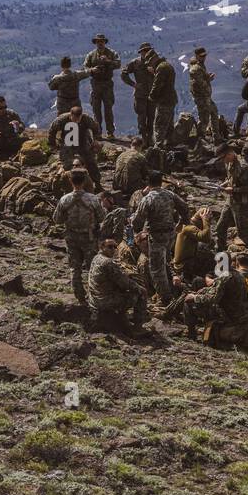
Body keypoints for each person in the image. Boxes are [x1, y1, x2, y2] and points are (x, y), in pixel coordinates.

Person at [129, 172, 190, 303]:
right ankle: (173, 285)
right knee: (167, 259)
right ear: (161, 182)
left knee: (156, 269)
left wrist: (132, 223)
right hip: (170, 233)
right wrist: (183, 222)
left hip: (156, 236)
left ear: (148, 183)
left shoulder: (147, 199)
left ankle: (165, 298)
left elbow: (138, 221)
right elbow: (184, 207)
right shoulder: (170, 194)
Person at [53, 168, 106, 304]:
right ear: (85, 181)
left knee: (74, 268)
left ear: (70, 181)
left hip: (71, 237)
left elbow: (57, 219)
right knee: (92, 267)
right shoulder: (93, 199)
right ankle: (95, 295)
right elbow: (101, 217)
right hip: (88, 237)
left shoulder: (64, 199)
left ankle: (79, 296)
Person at [88, 239, 148, 331]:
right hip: (103, 301)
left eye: (115, 247)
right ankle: (138, 328)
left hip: (94, 298)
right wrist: (138, 286)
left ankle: (122, 318)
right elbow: (125, 283)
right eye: (109, 247)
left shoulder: (96, 257)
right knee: (141, 293)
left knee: (124, 290)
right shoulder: (108, 262)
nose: (113, 249)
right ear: (102, 247)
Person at [215, 146, 248, 252]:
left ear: (230, 153)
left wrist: (234, 190)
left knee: (244, 232)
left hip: (241, 203)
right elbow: (230, 178)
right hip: (230, 200)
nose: (223, 161)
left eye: (223, 158)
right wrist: (223, 185)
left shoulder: (243, 167)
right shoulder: (228, 163)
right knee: (220, 227)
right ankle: (220, 250)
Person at [48, 105, 103, 187]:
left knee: (91, 161)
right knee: (68, 164)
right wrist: (52, 144)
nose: (76, 121)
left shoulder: (86, 119)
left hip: (83, 142)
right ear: (71, 115)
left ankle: (97, 183)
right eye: (74, 119)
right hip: (68, 143)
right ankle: (68, 184)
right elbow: (52, 130)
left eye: (78, 119)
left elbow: (95, 128)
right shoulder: (62, 119)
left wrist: (96, 140)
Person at [85, 33, 121, 139]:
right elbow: (86, 67)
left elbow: (118, 64)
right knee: (96, 109)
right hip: (95, 84)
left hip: (107, 84)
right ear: (95, 43)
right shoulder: (91, 55)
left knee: (108, 109)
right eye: (98, 41)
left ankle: (110, 132)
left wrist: (108, 61)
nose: (100, 43)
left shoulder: (111, 53)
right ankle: (98, 132)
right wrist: (92, 70)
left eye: (101, 41)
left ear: (104, 42)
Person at [121, 44, 155, 142]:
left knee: (152, 117)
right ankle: (144, 139)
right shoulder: (135, 62)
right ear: (141, 52)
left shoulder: (155, 62)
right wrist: (133, 84)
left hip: (152, 95)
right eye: (144, 50)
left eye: (148, 50)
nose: (146, 52)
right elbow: (124, 73)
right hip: (140, 95)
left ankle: (150, 138)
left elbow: (162, 75)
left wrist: (154, 72)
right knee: (141, 117)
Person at [188, 46, 220, 142]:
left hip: (206, 96)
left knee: (214, 113)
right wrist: (208, 79)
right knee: (204, 118)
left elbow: (203, 79)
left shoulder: (201, 65)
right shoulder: (195, 68)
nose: (204, 57)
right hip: (201, 97)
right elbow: (200, 83)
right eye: (202, 56)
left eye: (205, 55)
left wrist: (207, 76)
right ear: (197, 56)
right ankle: (200, 139)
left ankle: (216, 137)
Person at [148, 52, 177, 148]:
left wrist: (151, 96)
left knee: (159, 125)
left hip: (164, 100)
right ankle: (170, 145)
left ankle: (158, 149)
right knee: (169, 124)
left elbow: (157, 85)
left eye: (150, 61)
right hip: (171, 99)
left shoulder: (161, 68)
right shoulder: (167, 65)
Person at [0, 96, 25, 164]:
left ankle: (18, 156)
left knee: (26, 140)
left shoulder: (12, 114)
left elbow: (22, 126)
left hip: (11, 140)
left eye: (5, 107)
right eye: (1, 108)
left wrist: (18, 126)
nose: (3, 109)